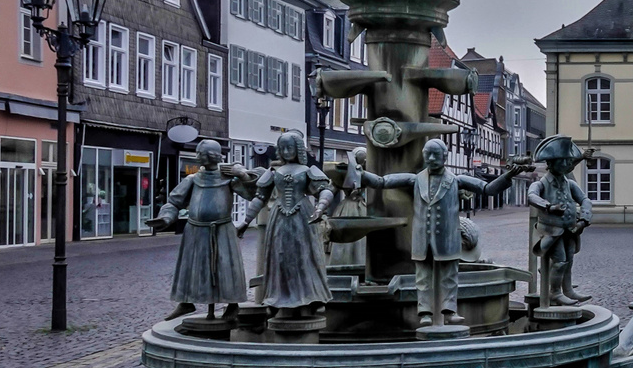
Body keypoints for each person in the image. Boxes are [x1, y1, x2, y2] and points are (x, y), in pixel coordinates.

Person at [354, 138, 519, 327]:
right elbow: (382, 182)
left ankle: (449, 311)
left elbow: (487, 189)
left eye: (436, 155)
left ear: (445, 157)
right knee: (423, 278)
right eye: (428, 154)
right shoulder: (415, 179)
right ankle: (425, 312)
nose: (431, 158)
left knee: (449, 276)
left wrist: (507, 177)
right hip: (422, 238)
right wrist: (361, 173)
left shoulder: (457, 180)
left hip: (447, 238)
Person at [150, 139, 255, 320]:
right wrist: (166, 217)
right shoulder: (193, 179)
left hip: (221, 229)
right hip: (195, 230)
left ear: (212, 155)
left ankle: (232, 305)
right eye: (198, 153)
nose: (198, 157)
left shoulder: (228, 178)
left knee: (226, 267)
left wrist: (244, 176)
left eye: (202, 153)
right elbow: (174, 201)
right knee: (192, 268)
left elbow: (251, 194)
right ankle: (185, 302)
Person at [237, 132, 336, 315]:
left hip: (303, 216)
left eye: (290, 147)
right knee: (280, 255)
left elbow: (325, 190)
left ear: (298, 149)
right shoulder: (274, 172)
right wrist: (245, 221)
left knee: (304, 255)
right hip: (279, 217)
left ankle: (310, 298)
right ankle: (278, 297)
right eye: (282, 148)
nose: (286, 151)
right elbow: (260, 197)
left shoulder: (307, 171)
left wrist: (320, 208)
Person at [526, 135, 593, 304]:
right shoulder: (542, 183)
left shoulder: (569, 183)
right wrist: (548, 206)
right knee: (560, 260)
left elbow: (585, 200)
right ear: (550, 163)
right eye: (562, 161)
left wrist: (583, 220)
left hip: (570, 229)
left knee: (569, 260)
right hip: (551, 230)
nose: (566, 165)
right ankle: (555, 292)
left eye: (567, 161)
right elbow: (532, 196)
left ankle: (568, 290)